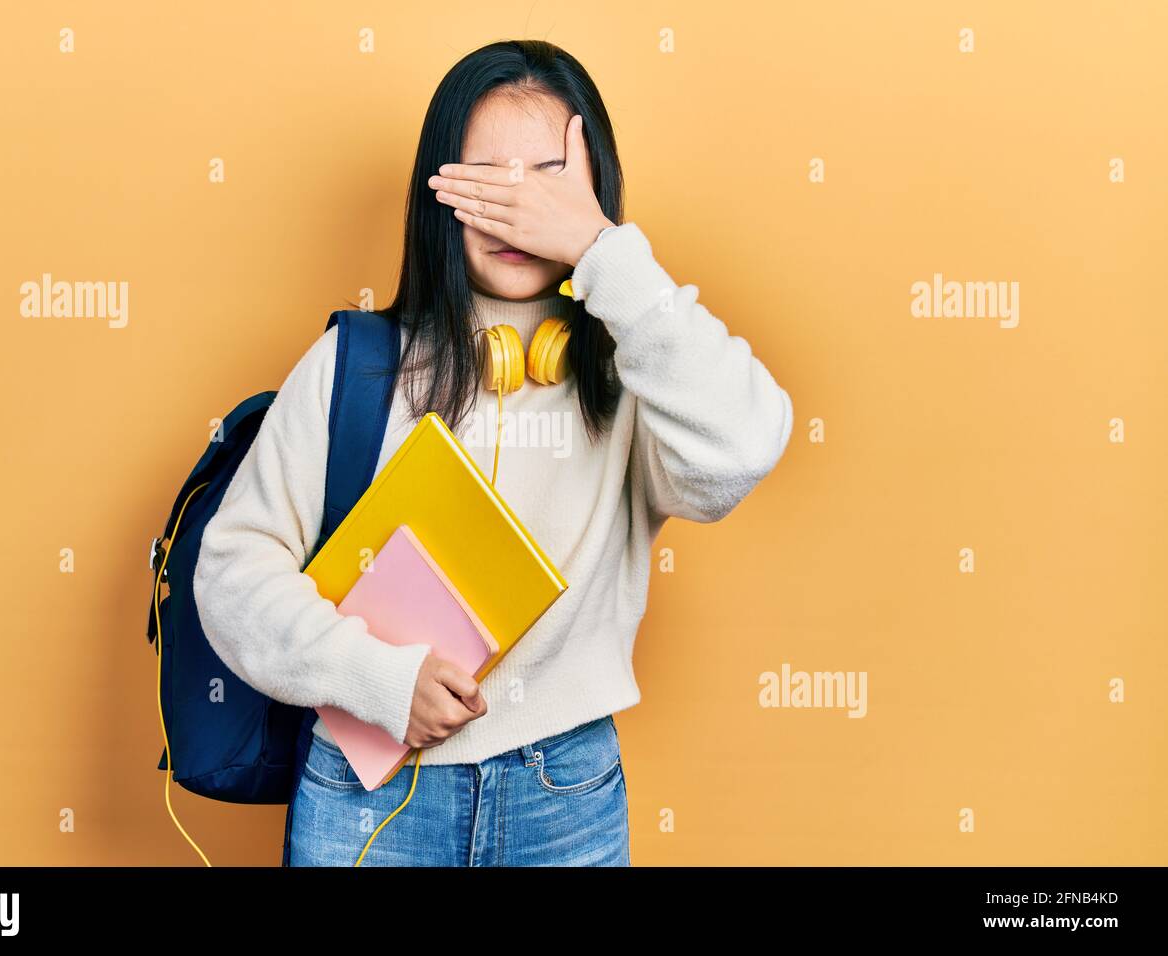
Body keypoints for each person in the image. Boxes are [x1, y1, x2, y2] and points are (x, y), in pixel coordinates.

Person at [193, 39, 793, 866]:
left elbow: (742, 448)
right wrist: (373, 678)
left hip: (567, 797)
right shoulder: (357, 367)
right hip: (366, 794)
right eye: (487, 182)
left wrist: (605, 252)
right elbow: (231, 572)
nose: (518, 214)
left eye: (549, 179)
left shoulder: (638, 371)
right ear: (438, 191)